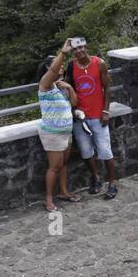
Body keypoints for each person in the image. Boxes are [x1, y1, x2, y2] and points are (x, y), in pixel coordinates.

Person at [65, 39, 118, 200]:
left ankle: (112, 183)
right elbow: (69, 89)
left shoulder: (99, 63)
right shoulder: (71, 66)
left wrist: (106, 110)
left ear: (86, 47)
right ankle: (95, 177)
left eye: (81, 47)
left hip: (98, 115)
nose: (78, 51)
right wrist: (74, 110)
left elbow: (107, 87)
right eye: (75, 49)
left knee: (105, 151)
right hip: (80, 116)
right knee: (86, 151)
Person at [36, 41, 83, 212]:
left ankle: (63, 192)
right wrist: (63, 53)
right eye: (58, 66)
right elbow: (53, 71)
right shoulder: (45, 86)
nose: (61, 68)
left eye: (62, 65)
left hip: (65, 131)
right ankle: (48, 199)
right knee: (54, 166)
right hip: (52, 133)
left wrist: (70, 88)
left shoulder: (59, 86)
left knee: (63, 164)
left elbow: (74, 103)